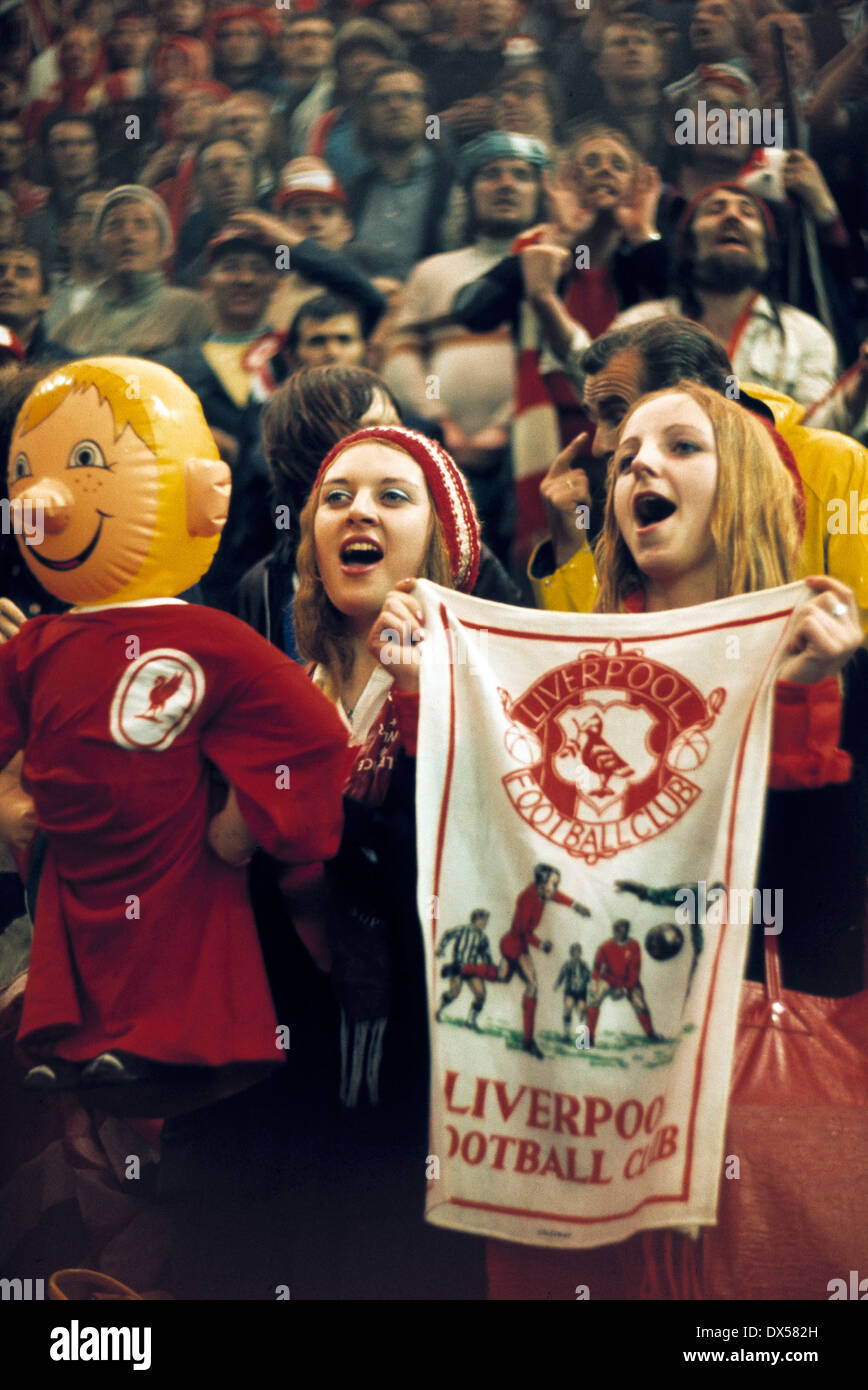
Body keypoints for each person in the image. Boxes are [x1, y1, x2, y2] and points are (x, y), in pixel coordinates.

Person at [485, 381, 866, 1299]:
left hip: (764, 1101)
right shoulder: (559, 680)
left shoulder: (840, 663)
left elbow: (828, 911)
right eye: (626, 459)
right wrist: (424, 698)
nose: (639, 465)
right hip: (582, 1107)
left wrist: (799, 695)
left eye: (683, 447)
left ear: (753, 491)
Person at [289, 422, 489, 1299]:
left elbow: (432, 875)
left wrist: (414, 699)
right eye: (336, 498)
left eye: (390, 496)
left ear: (443, 548)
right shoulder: (285, 689)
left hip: (422, 1079)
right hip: (291, 1074)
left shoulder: (480, 685)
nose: (356, 511)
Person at [528, 317, 868, 635]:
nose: (601, 445)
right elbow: (604, 666)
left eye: (618, 414)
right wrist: (571, 548)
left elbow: (858, 638)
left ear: (697, 400)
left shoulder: (838, 464)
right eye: (594, 418)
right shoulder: (632, 490)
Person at [383, 130, 549, 562]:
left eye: (521, 175)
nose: (506, 184)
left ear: (540, 191)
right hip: (440, 445)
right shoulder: (435, 271)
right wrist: (441, 420)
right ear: (468, 192)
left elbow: (549, 362)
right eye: (490, 175)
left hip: (530, 445)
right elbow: (400, 354)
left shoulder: (553, 265)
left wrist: (503, 425)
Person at [55, 184, 211, 355]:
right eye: (115, 225)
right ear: (99, 248)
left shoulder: (191, 311)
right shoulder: (71, 329)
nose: (128, 235)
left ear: (165, 246)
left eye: (141, 224)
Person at [461, 863, 591, 1058]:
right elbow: (523, 932)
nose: (555, 889)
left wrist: (574, 905)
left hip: (517, 943)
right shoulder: (527, 899)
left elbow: (555, 896)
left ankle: (465, 969)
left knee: (502, 976)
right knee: (532, 986)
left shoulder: (541, 893)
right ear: (541, 884)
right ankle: (528, 1042)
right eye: (553, 884)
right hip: (515, 944)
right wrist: (540, 945)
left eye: (557, 884)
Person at [585, 918, 661, 1045]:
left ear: (627, 931)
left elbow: (635, 971)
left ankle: (651, 1034)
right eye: (617, 930)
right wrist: (594, 982)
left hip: (628, 982)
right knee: (595, 998)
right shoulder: (605, 946)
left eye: (622, 930)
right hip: (609, 979)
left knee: (639, 1003)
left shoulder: (634, 946)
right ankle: (588, 1037)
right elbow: (597, 966)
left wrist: (626, 989)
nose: (619, 933)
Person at [434, 908, 493, 1029]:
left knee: (481, 995)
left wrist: (490, 968)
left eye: (486, 922)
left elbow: (486, 955)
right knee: (454, 993)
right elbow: (447, 934)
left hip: (472, 969)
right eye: (483, 921)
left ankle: (471, 1021)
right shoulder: (462, 930)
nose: (485, 924)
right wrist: (441, 948)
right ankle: (438, 1010)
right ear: (476, 920)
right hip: (458, 967)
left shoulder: (483, 938)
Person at [554, 942, 590, 1043]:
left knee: (581, 1011)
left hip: (581, 992)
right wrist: (557, 984)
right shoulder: (568, 964)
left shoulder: (584, 965)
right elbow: (562, 975)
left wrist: (582, 981)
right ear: (571, 953)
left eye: (578, 952)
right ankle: (566, 1035)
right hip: (570, 991)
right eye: (575, 952)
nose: (577, 954)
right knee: (568, 1008)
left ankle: (582, 1038)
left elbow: (588, 977)